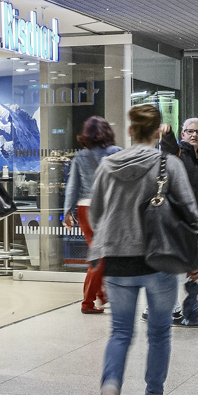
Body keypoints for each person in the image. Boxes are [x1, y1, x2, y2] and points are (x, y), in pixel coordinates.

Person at [90, 104, 198, 395]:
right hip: (160, 259)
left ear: (130, 131)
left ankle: (110, 391)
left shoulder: (107, 165)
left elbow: (96, 213)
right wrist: (195, 259)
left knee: (121, 332)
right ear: (158, 132)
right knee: (159, 331)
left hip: (117, 260)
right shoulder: (170, 163)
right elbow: (190, 215)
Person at [160, 117, 198, 327]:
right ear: (183, 134)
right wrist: (167, 133)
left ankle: (157, 308)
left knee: (192, 268)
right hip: (173, 219)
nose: (194, 135)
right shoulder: (178, 154)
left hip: (194, 222)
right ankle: (171, 311)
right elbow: (170, 149)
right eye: (189, 131)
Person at [66, 116, 120, 314]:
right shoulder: (116, 153)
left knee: (98, 253)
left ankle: (99, 295)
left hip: (85, 208)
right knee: (101, 257)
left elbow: (73, 187)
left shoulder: (80, 156)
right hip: (107, 208)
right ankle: (88, 302)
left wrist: (67, 212)